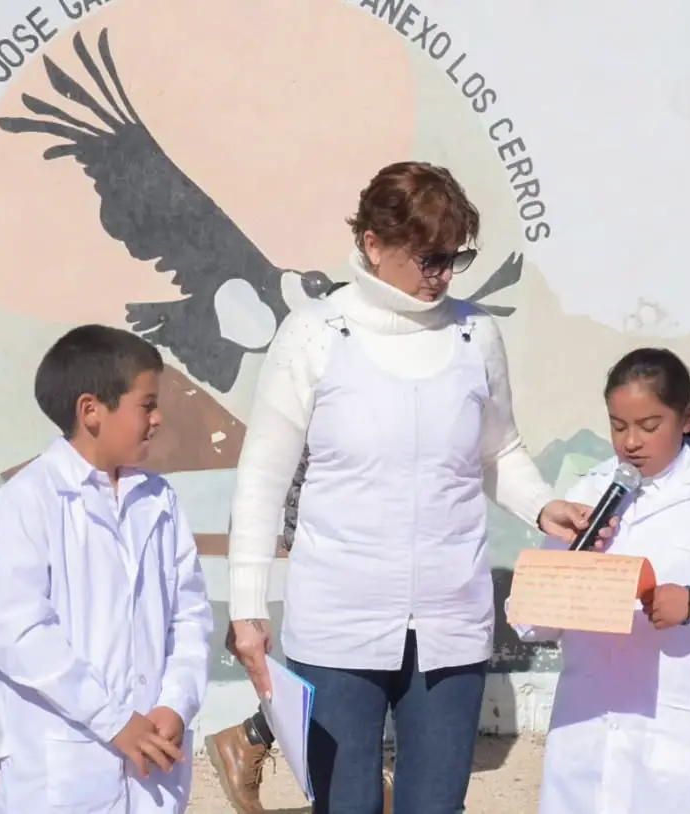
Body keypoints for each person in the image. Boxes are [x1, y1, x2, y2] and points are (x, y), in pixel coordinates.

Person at [223, 161, 607, 814]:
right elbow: (262, 477)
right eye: (430, 258)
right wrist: (246, 609)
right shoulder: (315, 334)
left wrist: (544, 506)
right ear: (373, 244)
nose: (445, 274)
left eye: (454, 257)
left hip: (451, 622)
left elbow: (500, 451)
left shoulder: (474, 333)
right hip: (336, 626)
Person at [511, 347, 690, 813]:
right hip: (587, 732)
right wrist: (568, 571)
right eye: (618, 425)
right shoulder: (590, 492)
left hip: (679, 739)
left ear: (687, 418)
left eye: (649, 426)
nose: (631, 442)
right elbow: (532, 623)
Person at [0, 324, 214, 814]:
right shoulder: (23, 504)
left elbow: (190, 615)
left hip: (152, 771)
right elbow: (17, 633)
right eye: (146, 404)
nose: (158, 418)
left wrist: (175, 702)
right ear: (91, 411)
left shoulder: (159, 501)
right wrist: (114, 721)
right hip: (61, 776)